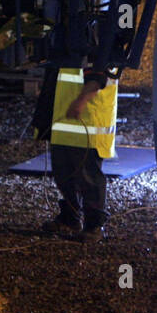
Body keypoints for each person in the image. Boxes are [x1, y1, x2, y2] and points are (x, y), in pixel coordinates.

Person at [33, 65, 118, 241]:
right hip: (64, 117)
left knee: (88, 176)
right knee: (63, 172)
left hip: (87, 118)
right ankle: (71, 218)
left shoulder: (100, 38)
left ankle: (94, 225)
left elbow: (101, 71)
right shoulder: (70, 38)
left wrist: (82, 99)